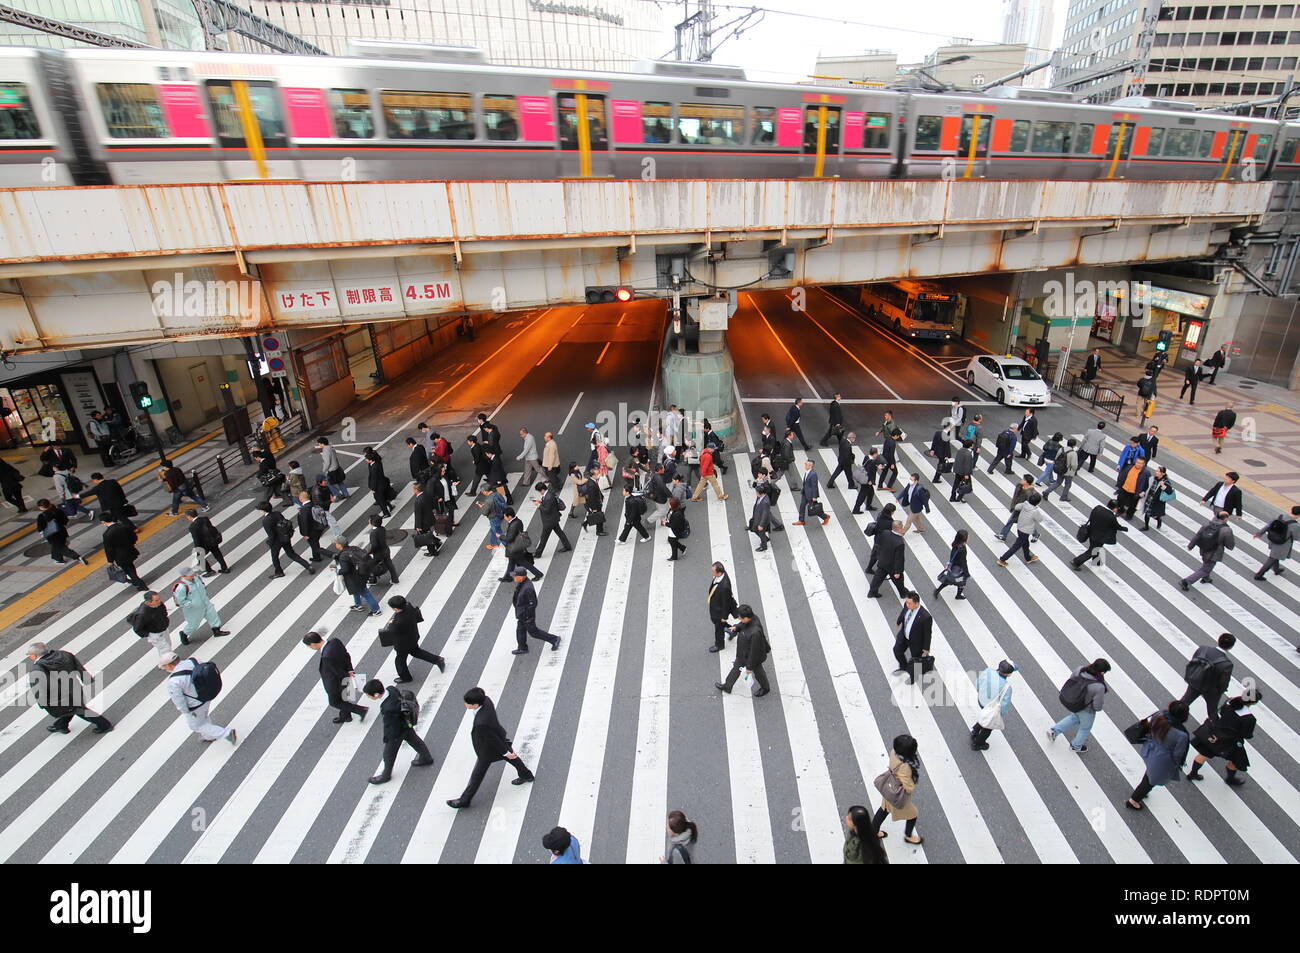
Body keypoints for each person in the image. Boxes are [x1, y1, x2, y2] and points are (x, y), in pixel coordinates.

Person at [446, 687, 534, 808]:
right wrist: (506, 752)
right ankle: (526, 775)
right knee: (511, 757)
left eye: (467, 703)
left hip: (489, 748)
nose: (465, 704)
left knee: (478, 774)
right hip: (497, 737)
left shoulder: (481, 722)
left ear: (476, 704)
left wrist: (504, 752)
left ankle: (464, 800)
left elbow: (491, 739)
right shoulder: (486, 700)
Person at [26, 642, 112, 735]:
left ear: (34, 656)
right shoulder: (64, 654)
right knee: (70, 709)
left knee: (78, 710)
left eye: (29, 655)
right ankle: (61, 725)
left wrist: (42, 702)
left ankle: (105, 725)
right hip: (75, 687)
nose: (29, 656)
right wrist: (86, 679)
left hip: (59, 695)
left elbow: (39, 688)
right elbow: (78, 666)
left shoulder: (38, 668)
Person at [362, 678, 434, 785]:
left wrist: (388, 737)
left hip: (396, 732)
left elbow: (390, 726)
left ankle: (385, 776)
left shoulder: (388, 708)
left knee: (389, 754)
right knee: (415, 741)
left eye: (368, 695)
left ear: (376, 695)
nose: (368, 696)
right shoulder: (391, 689)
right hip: (406, 723)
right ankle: (426, 757)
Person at [1124, 701, 1191, 811]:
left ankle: (1141, 792)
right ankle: (1133, 800)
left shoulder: (1159, 715)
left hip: (1149, 748)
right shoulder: (1182, 735)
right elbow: (1177, 755)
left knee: (1149, 774)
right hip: (1162, 760)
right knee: (1150, 781)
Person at [158, 651, 235, 744]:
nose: (165, 669)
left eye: (164, 667)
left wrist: (185, 710)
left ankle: (225, 733)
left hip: (195, 703)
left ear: (169, 666)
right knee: (203, 717)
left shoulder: (174, 681)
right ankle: (209, 736)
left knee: (196, 725)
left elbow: (178, 699)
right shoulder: (193, 660)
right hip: (207, 694)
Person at [1188, 692, 1261, 787]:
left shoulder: (1230, 701)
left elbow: (1220, 713)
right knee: (1236, 760)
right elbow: (1246, 734)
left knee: (1204, 754)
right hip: (1230, 741)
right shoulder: (1249, 718)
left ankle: (1193, 773)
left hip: (1214, 733)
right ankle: (1230, 778)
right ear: (1254, 702)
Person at [302, 631, 369, 724]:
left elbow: (337, 672)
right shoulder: (335, 641)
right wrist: (350, 670)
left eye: (309, 646)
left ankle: (361, 710)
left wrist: (348, 677)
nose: (310, 648)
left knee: (334, 702)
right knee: (344, 698)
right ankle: (345, 716)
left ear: (313, 644)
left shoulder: (326, 656)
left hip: (336, 683)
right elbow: (346, 655)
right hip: (346, 674)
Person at [1047, 658, 1111, 752]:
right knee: (1085, 728)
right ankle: (1076, 746)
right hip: (1087, 710)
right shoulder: (1099, 686)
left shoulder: (1080, 670)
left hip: (1074, 702)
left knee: (1074, 718)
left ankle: (1054, 731)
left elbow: (1072, 679)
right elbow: (1097, 706)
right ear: (1101, 673)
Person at [381, 595, 446, 683]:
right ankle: (437, 660)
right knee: (416, 652)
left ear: (396, 608)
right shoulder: (408, 606)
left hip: (402, 643)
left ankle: (406, 677)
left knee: (400, 660)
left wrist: (391, 623)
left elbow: (392, 630)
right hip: (412, 636)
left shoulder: (399, 621)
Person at [872, 734, 923, 845]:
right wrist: (911, 785)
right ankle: (908, 836)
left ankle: (873, 831)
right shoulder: (905, 767)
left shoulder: (893, 753)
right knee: (913, 814)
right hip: (897, 794)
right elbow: (908, 787)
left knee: (884, 809)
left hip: (890, 787)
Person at [715, 603, 770, 696]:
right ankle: (728, 686)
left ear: (746, 618)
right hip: (743, 653)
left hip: (752, 658)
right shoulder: (751, 618)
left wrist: (749, 667)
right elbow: (742, 625)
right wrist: (736, 627)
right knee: (736, 668)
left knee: (759, 673)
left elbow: (754, 652)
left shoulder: (755, 633)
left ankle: (765, 688)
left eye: (740, 618)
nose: (739, 619)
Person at [1179, 632, 1235, 720]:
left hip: (1196, 681)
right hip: (1211, 690)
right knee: (1212, 710)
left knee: (1184, 701)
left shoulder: (1202, 649)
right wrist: (1220, 691)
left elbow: (1193, 661)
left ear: (1218, 640)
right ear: (1231, 646)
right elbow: (1223, 682)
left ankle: (1171, 717)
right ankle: (1214, 728)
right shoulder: (1226, 664)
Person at [1179, 510, 1235, 591]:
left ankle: (1206, 578)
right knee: (1207, 568)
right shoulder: (1226, 530)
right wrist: (1230, 546)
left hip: (1203, 548)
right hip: (1215, 551)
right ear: (1225, 519)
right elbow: (1230, 544)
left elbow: (1198, 535)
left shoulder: (1208, 524)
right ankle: (1186, 581)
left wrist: (1190, 546)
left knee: (1206, 562)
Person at [258, 501, 314, 579]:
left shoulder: (266, 520)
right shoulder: (277, 513)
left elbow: (271, 534)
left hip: (276, 541)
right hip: (285, 537)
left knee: (275, 557)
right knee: (291, 554)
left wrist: (269, 543)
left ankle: (279, 572)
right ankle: (308, 566)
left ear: (263, 510)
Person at [172, 566, 229, 643]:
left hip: (205, 602)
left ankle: (216, 631)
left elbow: (202, 586)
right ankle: (184, 633)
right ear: (183, 576)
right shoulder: (181, 587)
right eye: (190, 575)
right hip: (193, 609)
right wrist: (191, 604)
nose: (192, 575)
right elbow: (180, 601)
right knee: (193, 624)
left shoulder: (197, 578)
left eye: (192, 573)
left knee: (213, 616)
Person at [969, 660, 1017, 751]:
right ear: (1009, 674)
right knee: (988, 726)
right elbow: (1004, 705)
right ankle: (978, 743)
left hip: (981, 700)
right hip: (991, 708)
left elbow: (978, 683)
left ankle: (975, 731)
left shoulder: (988, 671)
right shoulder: (1007, 688)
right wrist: (1000, 714)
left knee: (984, 715)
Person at [511, 566, 560, 654]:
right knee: (520, 630)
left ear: (521, 576)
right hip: (522, 614)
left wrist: (527, 616)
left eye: (515, 576)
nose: (514, 577)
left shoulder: (527, 588)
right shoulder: (522, 583)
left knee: (534, 633)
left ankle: (554, 639)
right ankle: (522, 647)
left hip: (527, 616)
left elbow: (533, 604)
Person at [1071, 498, 1127, 570]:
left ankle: (1096, 561)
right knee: (1093, 550)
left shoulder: (1098, 508)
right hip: (1100, 537)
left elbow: (1091, 518)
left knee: (1094, 547)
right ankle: (1076, 562)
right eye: (1117, 508)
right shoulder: (1111, 517)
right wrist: (1124, 528)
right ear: (1115, 508)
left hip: (1091, 531)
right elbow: (1116, 526)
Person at [332, 536, 381, 615]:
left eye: (336, 543)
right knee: (356, 591)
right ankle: (358, 605)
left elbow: (345, 569)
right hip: (362, 573)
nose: (335, 545)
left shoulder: (343, 556)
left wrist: (337, 571)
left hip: (354, 578)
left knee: (365, 593)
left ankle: (376, 610)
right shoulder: (353, 548)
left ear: (339, 545)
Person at [892, 592, 932, 684]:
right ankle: (903, 667)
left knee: (916, 661)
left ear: (917, 603)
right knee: (897, 650)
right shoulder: (907, 606)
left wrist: (926, 648)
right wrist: (899, 621)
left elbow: (927, 633)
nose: (907, 605)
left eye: (909, 603)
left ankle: (913, 677)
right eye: (906, 602)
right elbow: (903, 612)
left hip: (916, 641)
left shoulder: (926, 617)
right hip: (904, 635)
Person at [1253, 505, 1300, 581]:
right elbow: (1296, 537)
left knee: (1275, 556)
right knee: (1272, 558)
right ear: (1299, 515)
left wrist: (1259, 533)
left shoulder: (1281, 516)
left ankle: (1276, 569)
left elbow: (1269, 525)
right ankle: (1259, 574)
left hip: (1273, 538)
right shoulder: (1295, 525)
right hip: (1282, 544)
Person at [102, 515, 148, 590]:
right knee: (131, 567)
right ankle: (135, 580)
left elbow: (109, 549)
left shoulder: (107, 534)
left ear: (103, 522)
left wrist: (110, 560)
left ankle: (141, 584)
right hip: (130, 550)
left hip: (120, 555)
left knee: (128, 570)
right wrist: (131, 543)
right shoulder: (124, 526)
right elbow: (134, 537)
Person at [35, 499, 85, 566]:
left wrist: (42, 532)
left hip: (52, 535)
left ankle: (77, 557)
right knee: (57, 545)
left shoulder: (42, 516)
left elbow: (40, 527)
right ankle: (58, 559)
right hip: (62, 531)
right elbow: (65, 521)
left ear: (40, 507)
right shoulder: (58, 510)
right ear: (49, 503)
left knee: (60, 547)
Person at [501, 507, 544, 581]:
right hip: (517, 546)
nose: (504, 518)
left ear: (509, 516)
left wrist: (501, 536)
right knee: (511, 563)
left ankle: (538, 574)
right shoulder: (518, 521)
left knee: (523, 563)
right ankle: (508, 577)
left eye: (505, 516)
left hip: (515, 548)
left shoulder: (513, 524)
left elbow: (510, 538)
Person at [531, 480, 573, 557]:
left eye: (539, 491)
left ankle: (538, 553)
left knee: (544, 538)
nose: (540, 493)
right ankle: (567, 546)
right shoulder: (549, 494)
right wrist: (541, 502)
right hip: (553, 519)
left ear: (542, 490)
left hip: (549, 521)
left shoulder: (548, 497)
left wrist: (538, 505)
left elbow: (547, 510)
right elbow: (548, 505)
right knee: (560, 533)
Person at [867, 520, 907, 599]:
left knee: (877, 578)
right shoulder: (900, 542)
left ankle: (872, 592)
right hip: (892, 566)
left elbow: (878, 544)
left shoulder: (885, 533)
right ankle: (903, 593)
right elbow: (899, 559)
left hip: (882, 561)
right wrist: (898, 572)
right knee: (899, 582)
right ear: (899, 529)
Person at [706, 561, 738, 654]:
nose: (712, 573)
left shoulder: (724, 587)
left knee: (718, 628)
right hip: (716, 605)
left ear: (719, 572)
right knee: (717, 623)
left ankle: (719, 645)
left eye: (713, 571)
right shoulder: (721, 575)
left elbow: (726, 603)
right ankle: (732, 630)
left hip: (719, 610)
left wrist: (724, 617)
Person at [995, 475, 1036, 541]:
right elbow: (1015, 497)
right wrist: (1012, 506)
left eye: (1024, 480)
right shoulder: (1019, 486)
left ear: (1027, 482)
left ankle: (1003, 535)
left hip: (1023, 510)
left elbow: (1030, 503)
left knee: (1011, 521)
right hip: (1016, 508)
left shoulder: (1029, 492)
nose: (1022, 480)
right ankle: (1035, 534)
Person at [934, 529, 970, 601]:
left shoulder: (955, 544)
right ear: (964, 539)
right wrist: (966, 573)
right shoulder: (962, 549)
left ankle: (937, 590)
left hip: (953, 567)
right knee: (962, 582)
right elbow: (963, 562)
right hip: (959, 569)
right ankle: (958, 595)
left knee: (949, 580)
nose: (969, 536)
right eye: (967, 535)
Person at [1040, 438, 1078, 503]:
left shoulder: (1061, 449)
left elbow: (1056, 458)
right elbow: (1074, 465)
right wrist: (1074, 470)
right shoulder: (1073, 453)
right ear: (1074, 445)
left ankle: (1046, 491)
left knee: (1058, 482)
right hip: (1068, 472)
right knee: (1068, 484)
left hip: (1060, 469)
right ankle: (1064, 496)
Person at [793, 459, 829, 527]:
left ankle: (825, 517)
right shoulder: (807, 472)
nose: (804, 465)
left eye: (806, 464)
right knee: (802, 506)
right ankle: (801, 520)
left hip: (810, 495)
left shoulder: (813, 474)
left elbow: (814, 486)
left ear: (810, 466)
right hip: (805, 493)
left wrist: (814, 497)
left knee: (815, 509)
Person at [1115, 455, 1150, 521]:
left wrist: (1143, 492)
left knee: (1133, 505)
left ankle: (1129, 515)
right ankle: (1121, 510)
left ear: (1144, 464)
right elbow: (1123, 476)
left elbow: (1147, 484)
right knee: (1120, 499)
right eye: (1137, 462)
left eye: (1140, 463)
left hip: (1135, 491)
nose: (1138, 464)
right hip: (1125, 487)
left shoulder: (1146, 473)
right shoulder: (1130, 467)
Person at [366, 514, 399, 584]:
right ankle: (395, 579)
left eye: (369, 520)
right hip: (385, 550)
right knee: (389, 564)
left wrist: (370, 552)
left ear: (372, 523)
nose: (368, 521)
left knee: (370, 564)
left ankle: (372, 580)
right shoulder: (382, 528)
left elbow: (374, 545)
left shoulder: (373, 533)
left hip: (378, 553)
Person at [364, 447, 394, 518]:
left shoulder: (374, 467)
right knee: (380, 498)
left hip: (378, 486)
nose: (365, 460)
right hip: (381, 483)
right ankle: (390, 506)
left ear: (370, 460)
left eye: (366, 459)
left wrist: (373, 488)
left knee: (380, 500)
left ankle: (386, 513)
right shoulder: (375, 463)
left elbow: (374, 479)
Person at [479, 482, 509, 549]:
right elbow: (503, 502)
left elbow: (484, 512)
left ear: (485, 491)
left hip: (494, 517)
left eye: (482, 491)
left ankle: (508, 546)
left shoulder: (488, 500)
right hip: (501, 514)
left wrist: (481, 506)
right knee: (493, 529)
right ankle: (494, 543)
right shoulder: (498, 493)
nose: (482, 492)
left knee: (498, 532)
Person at [852, 448, 881, 513]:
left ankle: (868, 506)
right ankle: (856, 509)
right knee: (862, 495)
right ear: (875, 454)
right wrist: (870, 481)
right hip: (867, 481)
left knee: (871, 493)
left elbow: (865, 466)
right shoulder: (872, 462)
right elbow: (870, 472)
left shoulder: (867, 457)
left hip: (865, 479)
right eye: (877, 453)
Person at [750, 483, 772, 553]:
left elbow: (765, 514)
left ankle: (764, 546)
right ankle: (766, 538)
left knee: (761, 532)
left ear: (761, 493)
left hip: (762, 521)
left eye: (757, 492)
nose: (756, 493)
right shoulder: (760, 497)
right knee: (754, 529)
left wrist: (761, 525)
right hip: (757, 517)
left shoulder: (765, 502)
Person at [666, 496, 689, 562]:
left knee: (672, 541)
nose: (668, 504)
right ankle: (683, 548)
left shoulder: (677, 514)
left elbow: (673, 525)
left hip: (675, 531)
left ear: (673, 505)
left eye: (669, 503)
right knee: (672, 541)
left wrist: (666, 524)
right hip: (673, 530)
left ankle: (674, 556)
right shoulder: (673, 510)